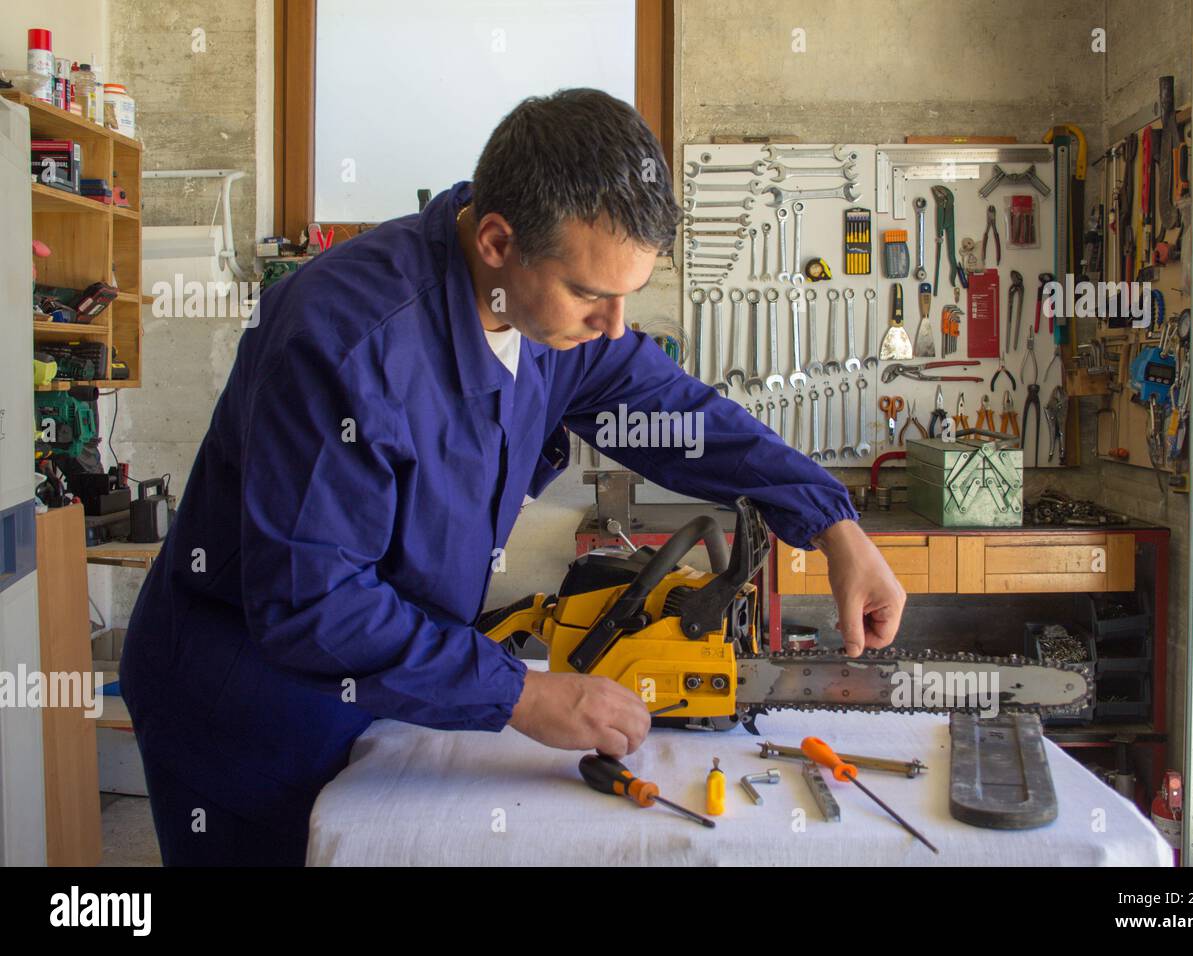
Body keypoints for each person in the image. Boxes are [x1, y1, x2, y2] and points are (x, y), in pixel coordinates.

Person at [119, 88, 905, 866]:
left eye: (629, 297)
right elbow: (312, 603)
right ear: (496, 241)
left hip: (391, 682)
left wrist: (831, 522)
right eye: (593, 295)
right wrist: (521, 696)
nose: (613, 328)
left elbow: (680, 414)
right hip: (249, 705)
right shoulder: (345, 345)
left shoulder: (545, 310)